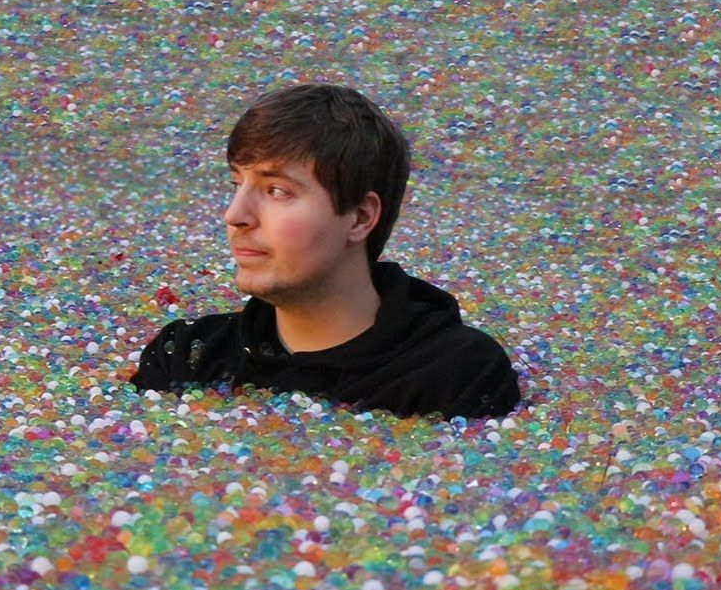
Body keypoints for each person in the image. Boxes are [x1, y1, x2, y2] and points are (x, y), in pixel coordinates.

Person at [130, 84, 520, 419]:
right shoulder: (189, 357)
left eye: (276, 191)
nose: (234, 215)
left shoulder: (453, 373)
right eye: (237, 185)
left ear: (359, 218)